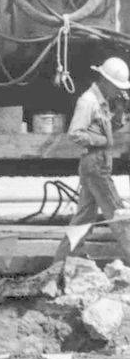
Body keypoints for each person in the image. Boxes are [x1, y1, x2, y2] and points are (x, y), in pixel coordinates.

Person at [58, 56, 130, 265]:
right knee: (118, 213)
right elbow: (75, 133)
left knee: (83, 218)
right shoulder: (88, 101)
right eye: (117, 87)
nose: (119, 91)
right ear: (105, 81)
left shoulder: (104, 102)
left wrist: (119, 111)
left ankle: (61, 262)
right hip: (95, 164)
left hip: (97, 164)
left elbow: (110, 128)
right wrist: (102, 140)